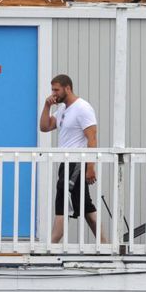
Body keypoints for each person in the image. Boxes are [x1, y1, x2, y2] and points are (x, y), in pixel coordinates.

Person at [39, 73, 105, 243]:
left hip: (76, 163)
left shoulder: (82, 108)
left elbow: (92, 138)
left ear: (67, 88)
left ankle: (52, 243)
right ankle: (105, 245)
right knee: (85, 206)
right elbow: (44, 127)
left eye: (56, 90)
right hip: (66, 163)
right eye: (52, 90)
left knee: (62, 200)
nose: (53, 93)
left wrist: (90, 167)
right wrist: (47, 106)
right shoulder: (63, 109)